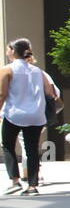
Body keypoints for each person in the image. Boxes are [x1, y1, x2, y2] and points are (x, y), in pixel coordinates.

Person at [1, 39, 59, 196]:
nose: (7, 52)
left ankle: (15, 181)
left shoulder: (7, 70)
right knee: (32, 149)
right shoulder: (38, 71)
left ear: (13, 51)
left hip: (14, 114)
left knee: (8, 146)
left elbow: (2, 94)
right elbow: (51, 94)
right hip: (36, 116)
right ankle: (33, 186)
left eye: (8, 49)